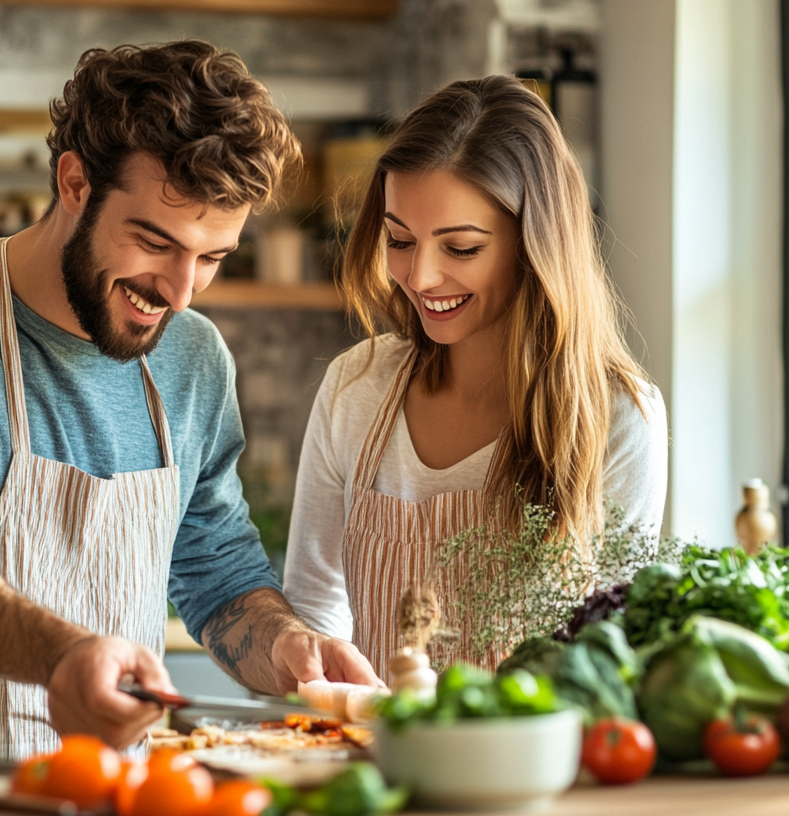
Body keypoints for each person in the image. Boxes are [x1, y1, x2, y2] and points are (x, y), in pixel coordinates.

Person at [0, 40, 377, 759]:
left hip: (118, 787)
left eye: (211, 258)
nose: (179, 291)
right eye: (154, 241)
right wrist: (62, 657)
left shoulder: (194, 358)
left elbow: (219, 575)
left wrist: (291, 648)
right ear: (74, 181)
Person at [282, 76, 669, 676]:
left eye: (460, 248)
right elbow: (313, 608)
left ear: (535, 242)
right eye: (399, 240)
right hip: (376, 758)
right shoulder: (355, 388)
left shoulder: (617, 418)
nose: (421, 277)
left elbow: (610, 658)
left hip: (531, 765)